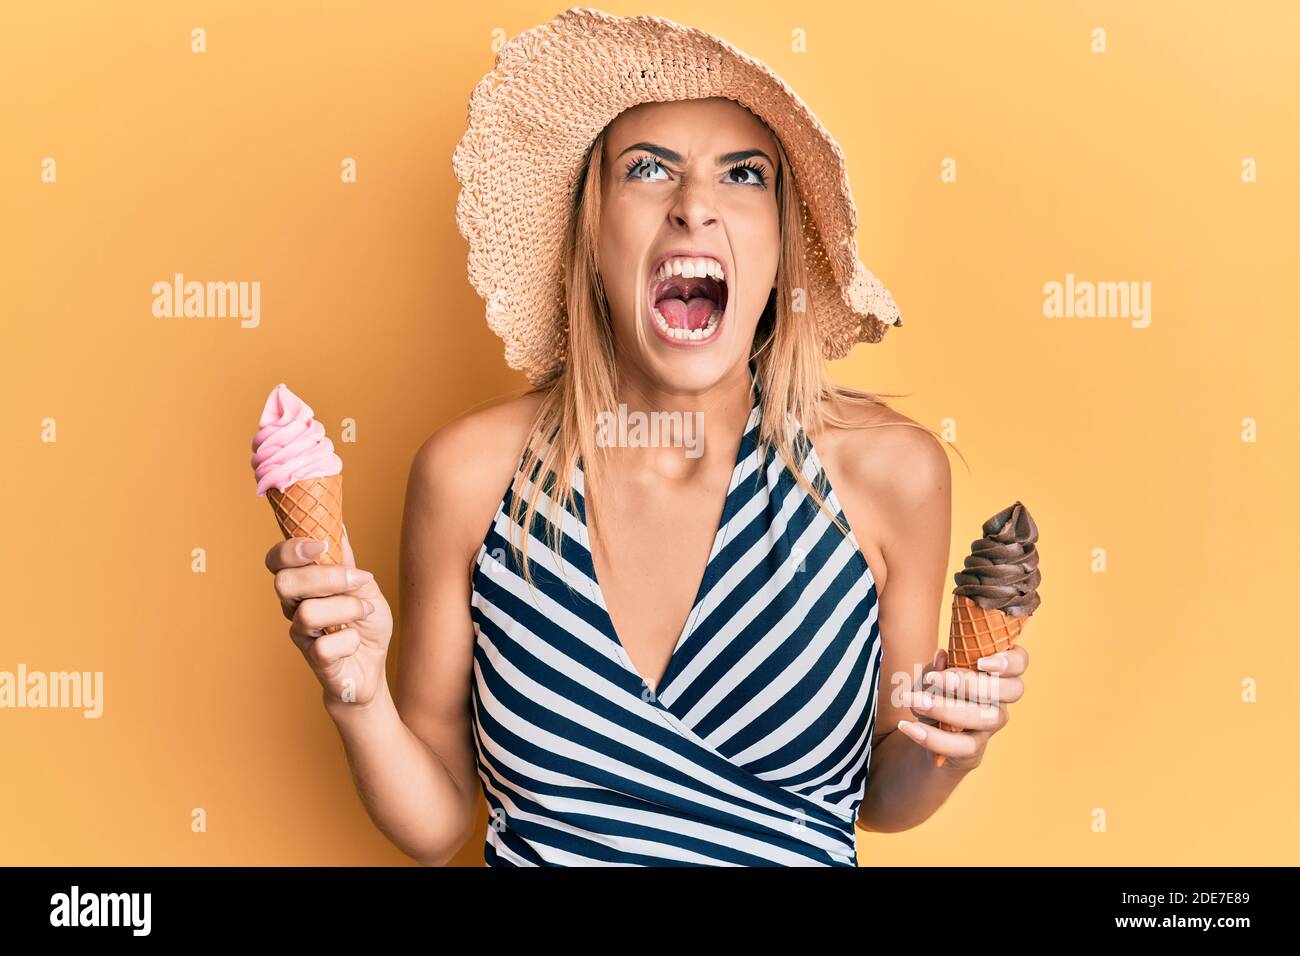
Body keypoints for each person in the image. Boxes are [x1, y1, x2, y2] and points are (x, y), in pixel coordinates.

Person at [264, 8, 1029, 866]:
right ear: (594, 235)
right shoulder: (469, 477)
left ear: (780, 244)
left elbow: (878, 799)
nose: (695, 207)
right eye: (649, 170)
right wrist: (357, 697)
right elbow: (439, 826)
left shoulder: (888, 474)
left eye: (743, 175)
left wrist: (950, 745)